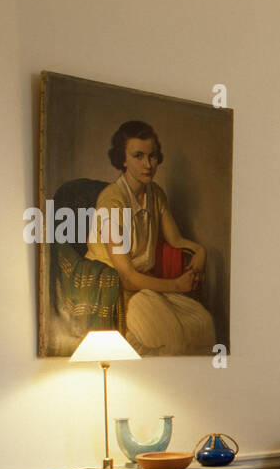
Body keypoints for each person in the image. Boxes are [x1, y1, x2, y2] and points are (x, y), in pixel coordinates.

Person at [87, 120, 216, 356]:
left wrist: (200, 251)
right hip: (118, 293)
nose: (148, 164)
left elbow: (176, 240)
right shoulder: (111, 202)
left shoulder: (155, 194)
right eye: (138, 156)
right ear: (122, 159)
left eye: (152, 156)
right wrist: (176, 285)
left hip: (146, 286)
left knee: (203, 322)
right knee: (172, 336)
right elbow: (126, 277)